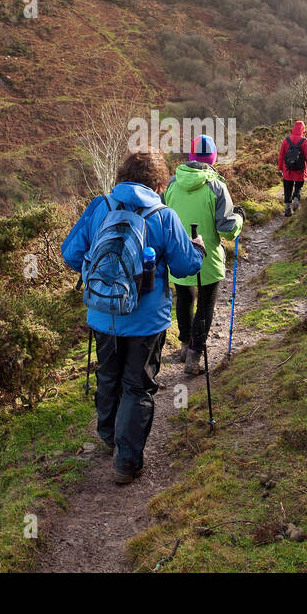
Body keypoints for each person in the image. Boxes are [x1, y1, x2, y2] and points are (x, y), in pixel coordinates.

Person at [61, 149, 205, 485]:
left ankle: (108, 436)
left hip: (102, 312)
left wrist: (96, 270)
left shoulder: (101, 207)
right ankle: (126, 463)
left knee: (108, 375)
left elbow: (71, 254)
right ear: (158, 182)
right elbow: (186, 266)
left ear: (122, 176)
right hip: (146, 320)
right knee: (137, 386)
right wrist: (196, 247)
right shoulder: (163, 215)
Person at [163, 135, 244, 376]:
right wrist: (239, 217)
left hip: (177, 255)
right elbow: (226, 229)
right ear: (213, 159)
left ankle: (185, 345)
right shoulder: (217, 187)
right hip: (207, 259)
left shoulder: (171, 185)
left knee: (184, 298)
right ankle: (194, 356)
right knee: (206, 303)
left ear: (190, 156)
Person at [277, 119, 307, 216]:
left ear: (293, 129)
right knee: (298, 187)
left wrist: (280, 168)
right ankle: (296, 199)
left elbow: (281, 156)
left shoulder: (286, 140)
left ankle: (287, 208)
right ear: (304, 130)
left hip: (287, 171)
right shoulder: (305, 141)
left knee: (287, 188)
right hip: (300, 171)